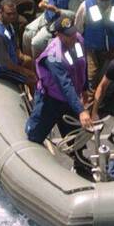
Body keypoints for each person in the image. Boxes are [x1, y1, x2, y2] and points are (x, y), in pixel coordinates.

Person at [24, 15, 93, 144]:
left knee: (76, 139)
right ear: (58, 35)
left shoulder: (78, 40)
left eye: (73, 32)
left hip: (71, 99)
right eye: (68, 35)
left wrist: (85, 88)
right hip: (51, 100)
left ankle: (79, 162)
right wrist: (81, 110)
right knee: (34, 135)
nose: (73, 37)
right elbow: (64, 84)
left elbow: (83, 64)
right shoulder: (53, 56)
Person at [0, 0, 37, 87]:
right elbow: (5, 64)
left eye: (14, 13)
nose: (12, 16)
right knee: (33, 80)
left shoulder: (1, 19)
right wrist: (25, 71)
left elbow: (12, 38)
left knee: (29, 60)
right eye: (9, 14)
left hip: (8, 56)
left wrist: (19, 53)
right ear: (1, 11)